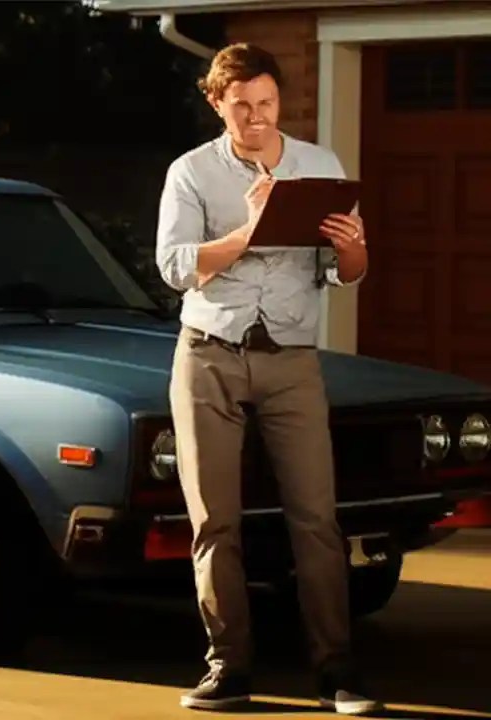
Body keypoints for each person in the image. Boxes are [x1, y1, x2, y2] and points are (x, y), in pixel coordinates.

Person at [155, 43, 379, 715]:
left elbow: (348, 273)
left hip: (291, 358)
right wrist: (250, 231)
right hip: (208, 357)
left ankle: (337, 670)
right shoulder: (190, 172)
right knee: (214, 522)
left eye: (267, 104)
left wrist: (353, 250)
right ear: (216, 103)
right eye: (242, 107)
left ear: (281, 101)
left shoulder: (321, 166)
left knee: (316, 517)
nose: (256, 118)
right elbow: (173, 266)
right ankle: (228, 667)